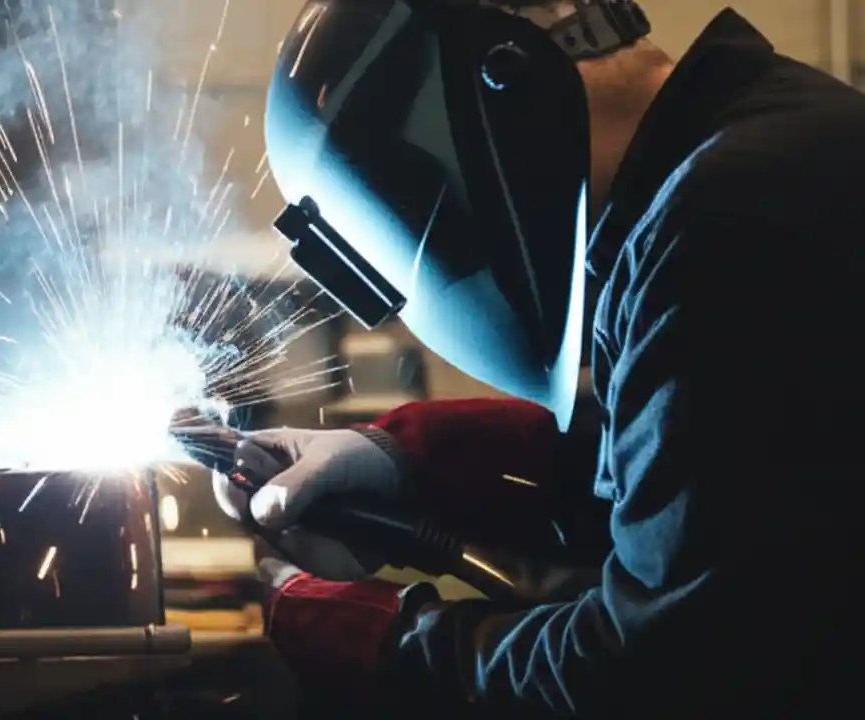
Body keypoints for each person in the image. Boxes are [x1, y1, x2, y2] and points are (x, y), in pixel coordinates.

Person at [215, 0, 864, 716]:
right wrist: (412, 465)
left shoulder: (729, 218)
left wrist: (398, 641)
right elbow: (723, 492)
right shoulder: (753, 147)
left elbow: (667, 666)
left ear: (503, 78)